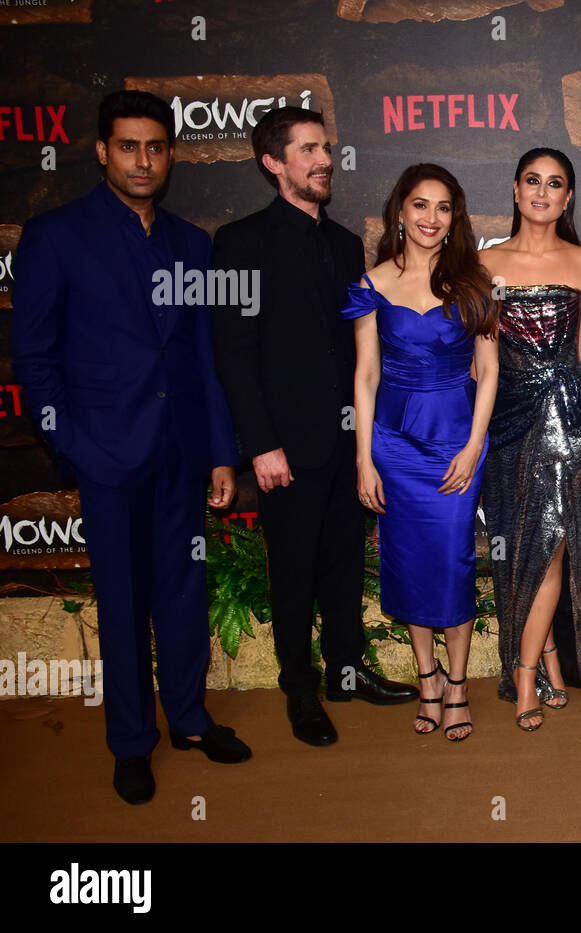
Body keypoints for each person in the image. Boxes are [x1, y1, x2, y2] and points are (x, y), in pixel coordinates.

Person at [12, 90, 250, 804]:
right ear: (102, 152)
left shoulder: (190, 242)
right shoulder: (56, 236)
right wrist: (72, 442)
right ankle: (130, 741)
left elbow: (201, 356)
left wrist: (219, 452)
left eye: (154, 147)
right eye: (128, 146)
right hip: (107, 454)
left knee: (183, 591)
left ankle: (189, 719)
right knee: (121, 603)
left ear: (171, 153)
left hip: (180, 452)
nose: (142, 160)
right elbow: (34, 356)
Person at [210, 107, 416, 748]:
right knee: (293, 572)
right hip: (283, 449)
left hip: (341, 440)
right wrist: (260, 445)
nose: (323, 159)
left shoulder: (344, 244)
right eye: (307, 150)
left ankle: (347, 673)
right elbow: (233, 354)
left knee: (343, 567)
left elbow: (354, 352)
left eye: (324, 147)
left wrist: (364, 440)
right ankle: (299, 689)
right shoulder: (239, 244)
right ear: (274, 163)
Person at [345, 164, 499, 741]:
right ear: (399, 213)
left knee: (453, 559)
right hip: (393, 442)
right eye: (420, 205)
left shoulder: (473, 283)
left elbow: (487, 371)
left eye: (443, 207)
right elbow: (364, 377)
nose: (431, 218)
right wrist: (364, 459)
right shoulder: (370, 284)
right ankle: (428, 678)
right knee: (407, 560)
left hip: (457, 438)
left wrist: (474, 445)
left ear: (454, 217)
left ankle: (457, 685)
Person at [479, 147, 581, 732]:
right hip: (506, 417)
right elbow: (481, 360)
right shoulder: (483, 263)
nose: (541, 192)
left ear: (568, 196)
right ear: (514, 188)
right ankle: (551, 656)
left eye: (554, 184)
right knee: (517, 544)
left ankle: (523, 674)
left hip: (568, 416)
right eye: (532, 180)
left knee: (553, 541)